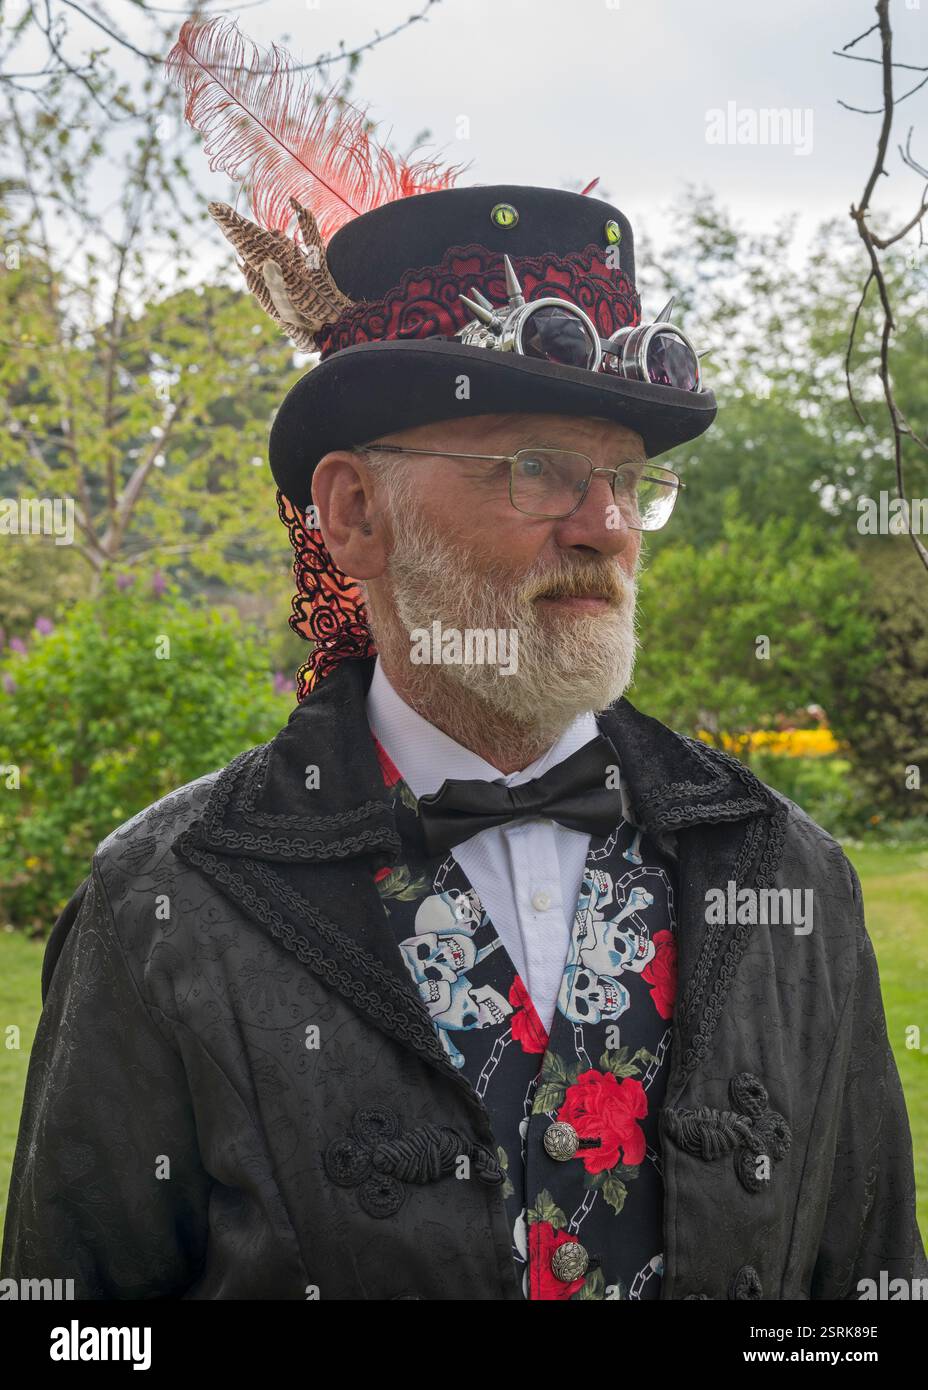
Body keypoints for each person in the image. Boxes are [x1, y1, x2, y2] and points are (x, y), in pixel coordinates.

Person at [2, 15, 924, 1300]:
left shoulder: (792, 878)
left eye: (625, 478)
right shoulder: (167, 902)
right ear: (355, 514)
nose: (603, 524)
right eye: (534, 465)